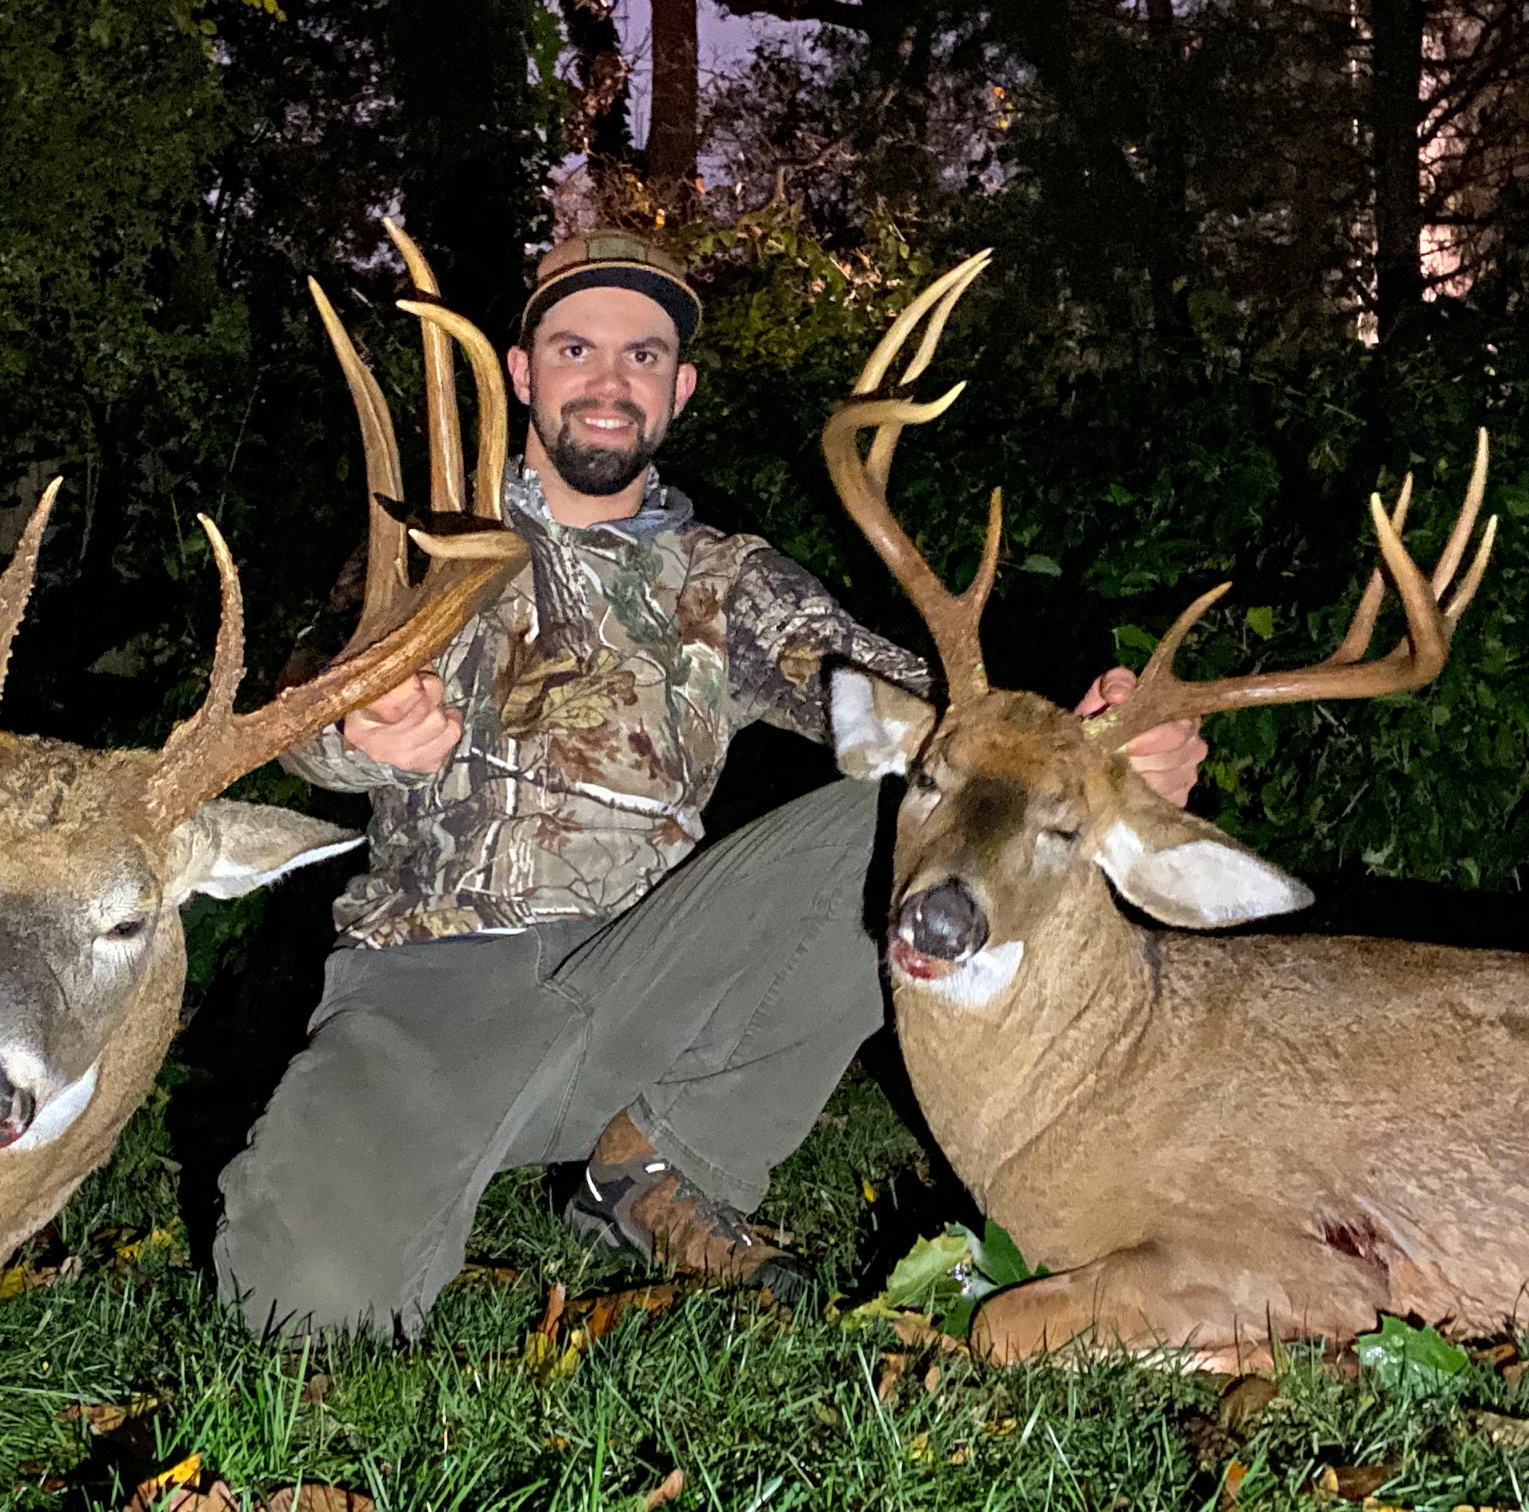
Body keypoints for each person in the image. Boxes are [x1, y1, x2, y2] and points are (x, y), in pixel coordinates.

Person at [211, 232, 1204, 1337]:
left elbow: (931, 717)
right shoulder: (434, 545)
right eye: (576, 347)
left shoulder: (727, 579)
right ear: (523, 370)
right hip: (438, 986)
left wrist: (1097, 751)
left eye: (643, 356)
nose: (608, 380)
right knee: (301, 1306)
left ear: (678, 389)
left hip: (655, 982)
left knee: (912, 813)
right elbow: (308, 703)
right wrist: (359, 729)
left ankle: (663, 1161)